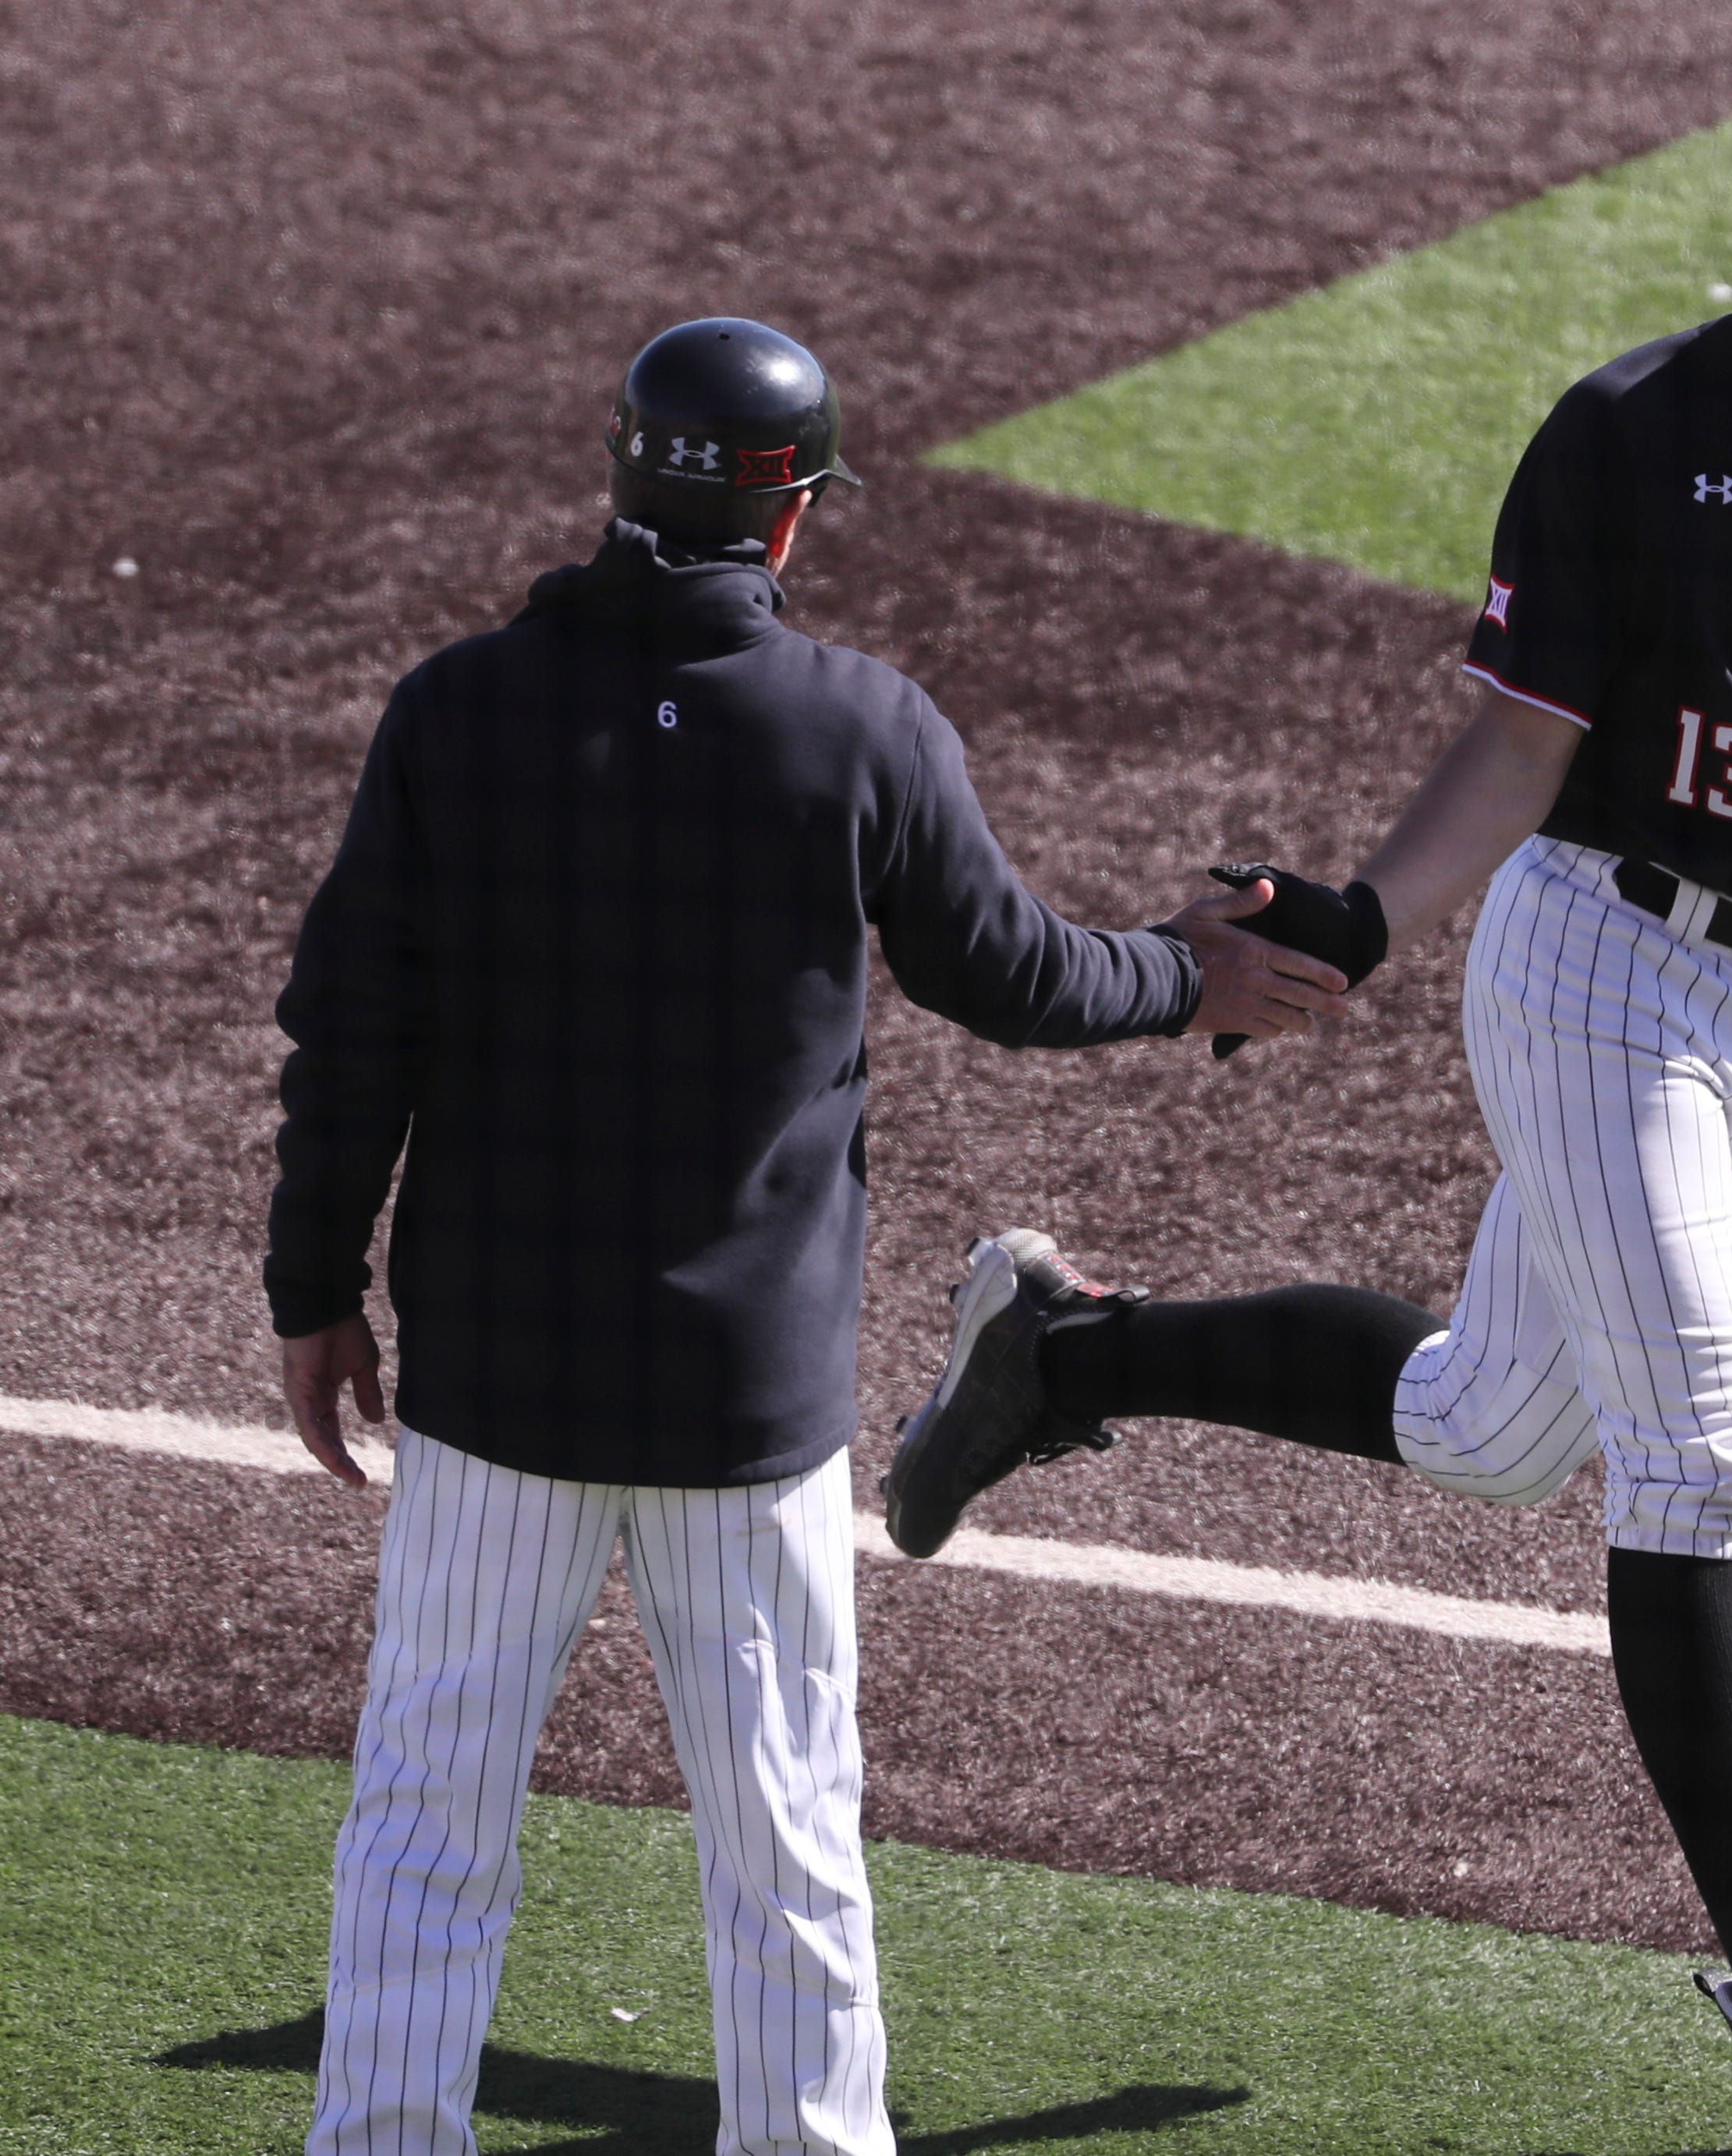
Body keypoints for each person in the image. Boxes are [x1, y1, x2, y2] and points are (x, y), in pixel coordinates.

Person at [882, 80, 1732, 2140]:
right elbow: (1520, 739)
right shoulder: (1639, 431)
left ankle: (1061, 1346)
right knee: (1701, 1425)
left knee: (1497, 1425)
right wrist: (1373, 920)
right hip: (1594, 965)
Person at [264, 316, 1346, 2156]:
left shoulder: (459, 708)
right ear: (791, 516)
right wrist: (1189, 971)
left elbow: (353, 1033)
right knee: (786, 1848)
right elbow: (1012, 976)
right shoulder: (857, 725)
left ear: (623, 482)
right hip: (740, 1408)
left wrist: (312, 1292)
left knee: (426, 1823)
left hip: (495, 1388)